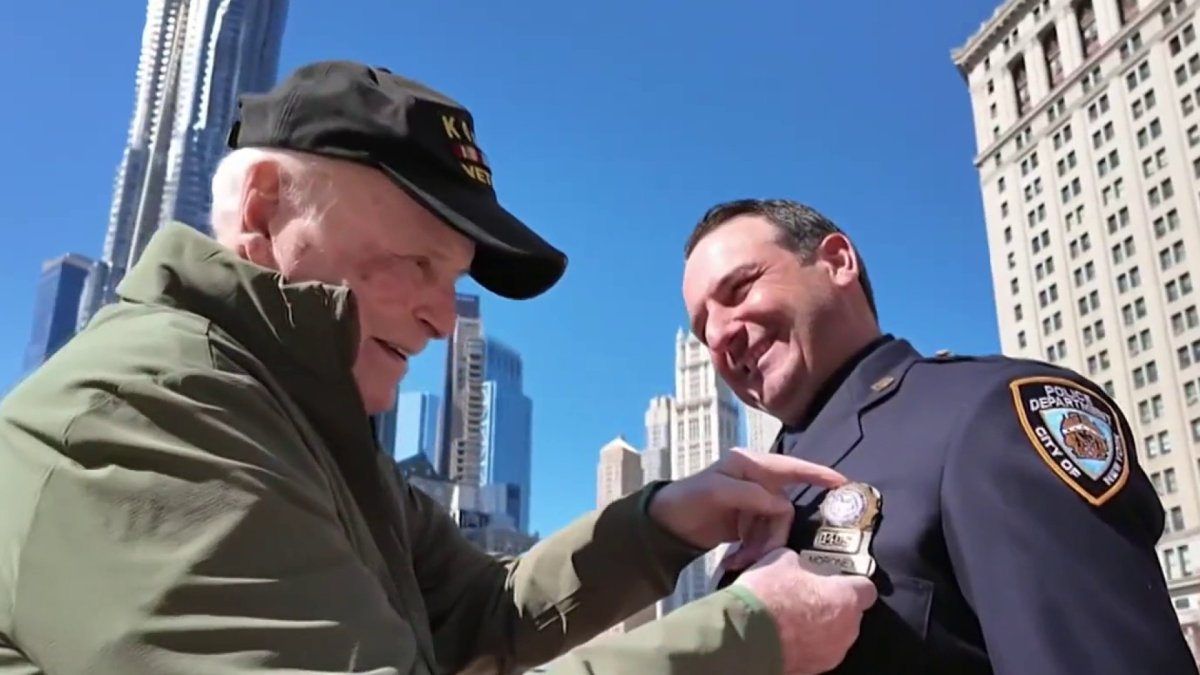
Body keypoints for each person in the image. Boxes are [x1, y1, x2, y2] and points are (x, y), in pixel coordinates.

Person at [0, 62, 877, 675]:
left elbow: (482, 609)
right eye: (416, 261)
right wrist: (750, 635)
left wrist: (662, 522)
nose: (440, 314)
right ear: (265, 211)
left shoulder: (318, 437)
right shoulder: (143, 413)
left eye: (453, 280)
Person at [682, 198, 1200, 674]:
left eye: (741, 288)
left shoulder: (987, 415)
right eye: (703, 328)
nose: (721, 334)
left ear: (838, 262)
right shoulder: (753, 506)